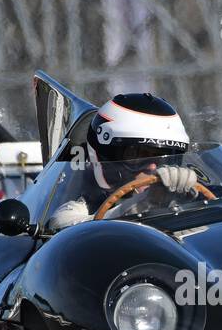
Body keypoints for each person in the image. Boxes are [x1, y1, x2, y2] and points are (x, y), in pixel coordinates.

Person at [48, 93, 200, 230]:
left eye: (164, 158)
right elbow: (62, 227)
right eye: (138, 154)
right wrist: (144, 204)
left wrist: (194, 210)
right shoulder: (81, 207)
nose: (153, 167)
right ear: (102, 155)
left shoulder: (181, 204)